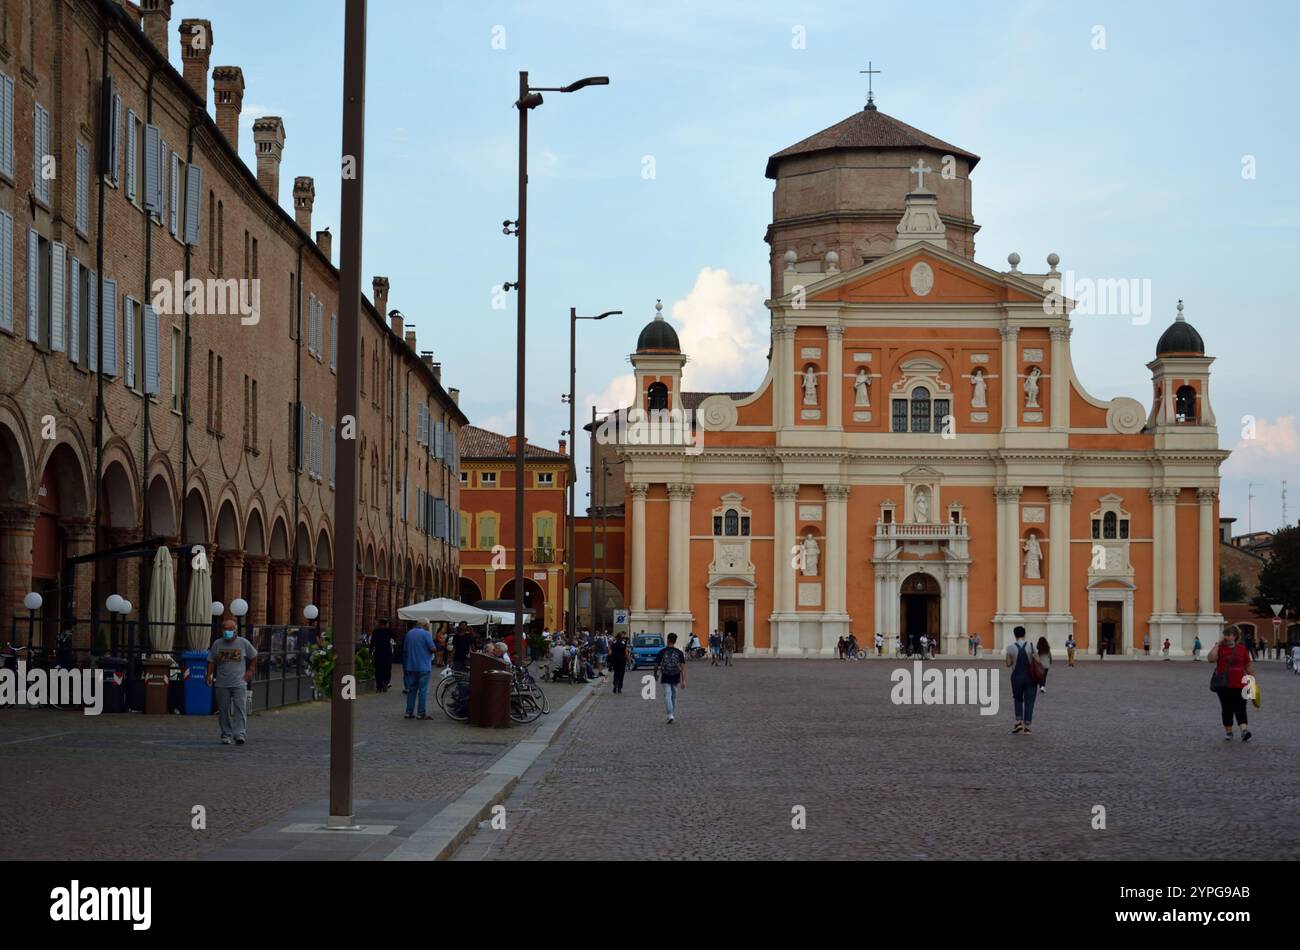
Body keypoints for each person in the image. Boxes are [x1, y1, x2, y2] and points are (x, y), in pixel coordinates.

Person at [206, 620, 258, 745]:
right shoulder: (217, 644)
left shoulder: (243, 643)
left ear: (235, 631)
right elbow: (211, 660)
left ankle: (240, 733)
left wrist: (250, 671)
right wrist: (209, 675)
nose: (227, 632)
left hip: (239, 682)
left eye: (229, 629)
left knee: (240, 709)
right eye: (225, 629)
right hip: (222, 683)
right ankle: (226, 734)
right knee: (223, 710)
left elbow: (254, 656)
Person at [1208, 628, 1254, 741]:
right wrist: (1217, 645)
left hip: (1241, 683)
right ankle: (1229, 732)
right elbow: (1211, 659)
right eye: (1226, 635)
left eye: (1230, 635)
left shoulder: (1242, 649)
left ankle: (1244, 731)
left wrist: (1252, 679)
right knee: (1227, 708)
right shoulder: (1220, 648)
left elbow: (1247, 665)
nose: (1227, 637)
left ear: (1235, 636)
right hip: (1224, 685)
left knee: (1241, 707)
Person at [1004, 626, 1039, 734]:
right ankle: (1027, 726)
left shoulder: (1010, 647)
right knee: (1029, 701)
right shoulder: (1031, 646)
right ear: (1024, 634)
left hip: (1016, 677)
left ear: (1015, 635)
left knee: (1018, 699)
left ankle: (1018, 721)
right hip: (1030, 677)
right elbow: (1038, 660)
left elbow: (1008, 664)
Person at [403, 622, 435, 720]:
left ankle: (408, 712)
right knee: (423, 690)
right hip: (424, 667)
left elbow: (405, 649)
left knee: (411, 690)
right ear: (425, 625)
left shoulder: (409, 633)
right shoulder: (426, 634)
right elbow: (433, 648)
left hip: (411, 666)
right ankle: (421, 713)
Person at [654, 633, 687, 723]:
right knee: (674, 696)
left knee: (667, 695)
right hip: (676, 676)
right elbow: (683, 667)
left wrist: (655, 675)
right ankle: (672, 713)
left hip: (665, 676)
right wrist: (683, 680)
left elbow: (656, 665)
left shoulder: (662, 651)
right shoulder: (679, 652)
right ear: (675, 641)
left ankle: (670, 714)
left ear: (668, 640)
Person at [370, 619, 395, 692]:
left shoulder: (388, 631)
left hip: (387, 653)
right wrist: (370, 653)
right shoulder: (376, 632)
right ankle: (379, 686)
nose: (382, 625)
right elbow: (372, 643)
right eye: (381, 624)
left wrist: (389, 628)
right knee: (378, 670)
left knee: (387, 669)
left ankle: (385, 682)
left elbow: (394, 636)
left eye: (384, 624)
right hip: (378, 653)